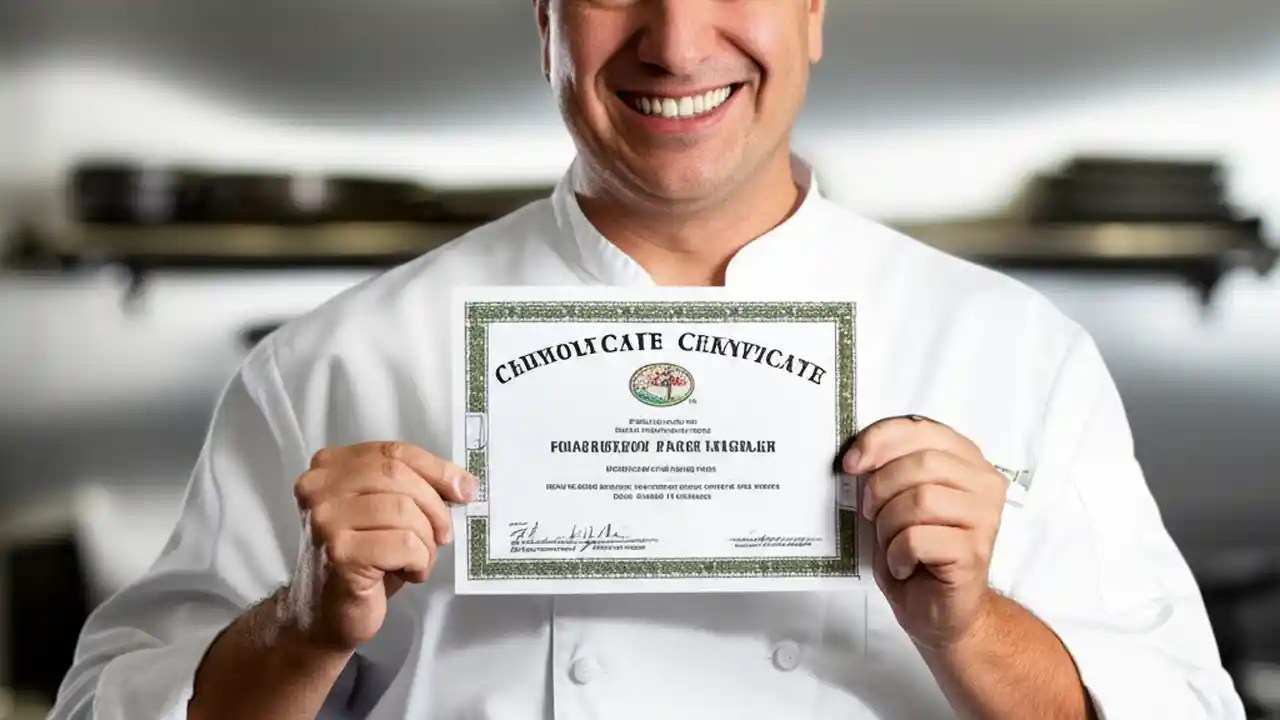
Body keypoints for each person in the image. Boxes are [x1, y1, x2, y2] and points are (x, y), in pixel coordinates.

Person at [53, 1, 1243, 718]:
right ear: (544, 17)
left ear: (814, 10)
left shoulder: (1014, 354)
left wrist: (971, 628)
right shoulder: (336, 364)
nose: (676, 44)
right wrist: (302, 629)